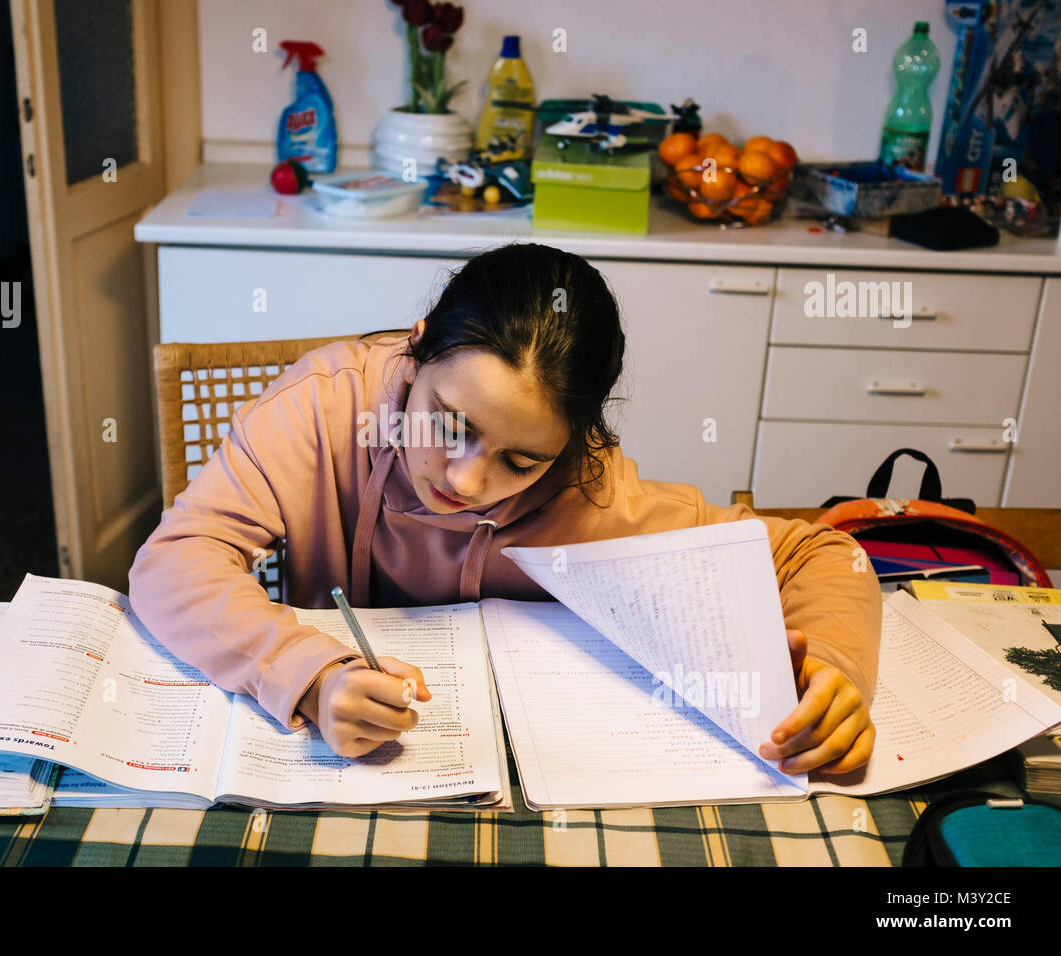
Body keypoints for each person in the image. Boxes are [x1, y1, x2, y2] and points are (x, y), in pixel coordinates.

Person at [128, 243, 881, 775]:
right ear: (417, 351)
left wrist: (836, 670)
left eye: (520, 461)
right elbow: (173, 562)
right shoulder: (324, 409)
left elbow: (822, 552)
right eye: (449, 425)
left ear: (573, 444)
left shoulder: (588, 490)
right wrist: (309, 674)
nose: (466, 478)